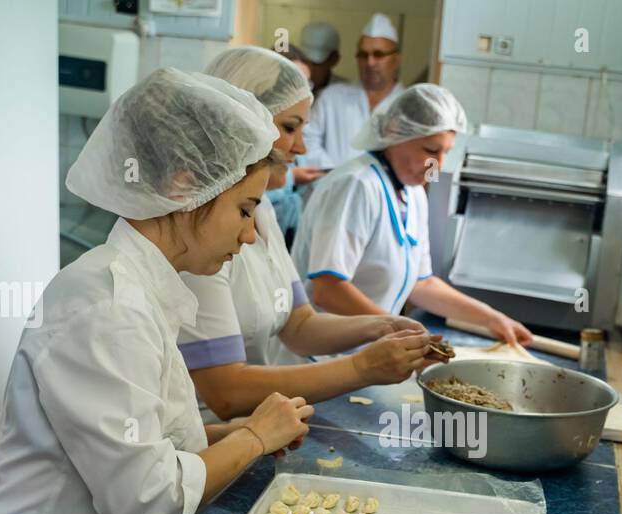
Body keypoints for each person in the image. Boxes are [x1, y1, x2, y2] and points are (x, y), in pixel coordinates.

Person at [0, 69, 313, 514]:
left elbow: (147, 438)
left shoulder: (140, 288)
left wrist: (227, 431)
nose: (252, 232)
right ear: (185, 188)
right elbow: (149, 500)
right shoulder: (106, 306)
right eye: (244, 208)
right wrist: (253, 439)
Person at [179, 46, 442, 423]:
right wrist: (363, 368)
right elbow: (225, 392)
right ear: (239, 121)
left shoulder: (262, 208)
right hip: (201, 442)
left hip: (255, 429)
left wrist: (385, 327)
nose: (301, 147)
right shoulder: (198, 228)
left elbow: (298, 324)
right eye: (290, 128)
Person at [292, 84, 533, 347]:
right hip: (319, 357)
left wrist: (490, 318)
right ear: (396, 135)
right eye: (431, 150)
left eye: (446, 152)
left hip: (360, 356)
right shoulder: (356, 185)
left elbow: (423, 284)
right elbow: (328, 289)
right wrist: (401, 331)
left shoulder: (413, 192)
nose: (438, 165)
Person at [301, 13, 405, 170]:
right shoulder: (332, 97)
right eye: (363, 55)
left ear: (396, 59)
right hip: (331, 188)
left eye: (378, 54)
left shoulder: (408, 106)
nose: (370, 62)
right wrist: (335, 176)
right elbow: (307, 140)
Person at [262, 45, 325, 243]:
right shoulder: (257, 137)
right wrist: (291, 177)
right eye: (289, 127)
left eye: (307, 84)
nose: (300, 148)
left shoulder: (298, 140)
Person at [299, 21, 342, 93]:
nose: (309, 70)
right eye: (304, 62)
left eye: (316, 64)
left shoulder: (344, 94)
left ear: (334, 59)